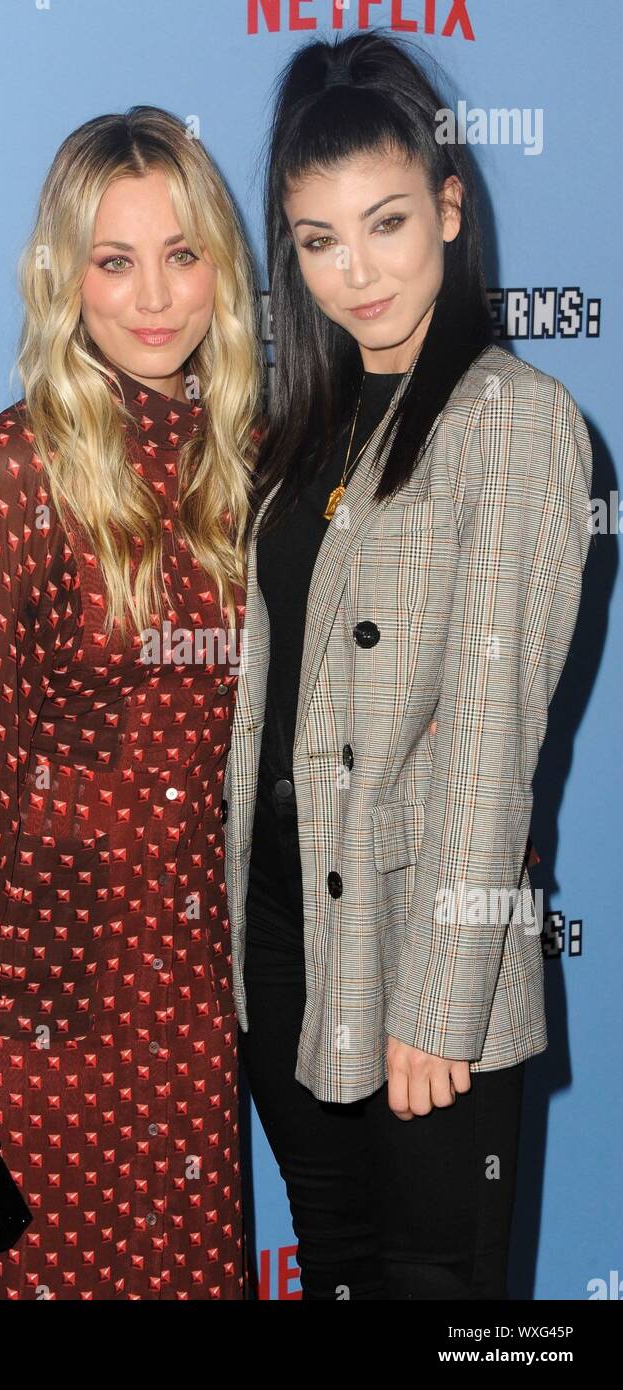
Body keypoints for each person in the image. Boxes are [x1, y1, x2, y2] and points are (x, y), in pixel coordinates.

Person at [0, 106, 263, 1299]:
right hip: (11, 997)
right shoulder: (12, 469)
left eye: (182, 256)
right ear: (64, 275)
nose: (154, 297)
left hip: (181, 992)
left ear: (221, 272)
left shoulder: (240, 471)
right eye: (114, 259)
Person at [223, 31, 593, 1300]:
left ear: (448, 205)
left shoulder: (519, 420)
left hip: (421, 944)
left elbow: (498, 744)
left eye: (385, 222)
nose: (356, 270)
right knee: (333, 1267)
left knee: (438, 1295)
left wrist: (441, 1002)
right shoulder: (300, 430)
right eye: (319, 239)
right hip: (281, 932)